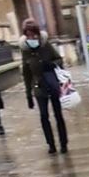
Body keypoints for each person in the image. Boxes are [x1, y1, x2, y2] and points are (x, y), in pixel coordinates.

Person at [20, 19, 69, 154]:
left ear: (37, 34)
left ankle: (63, 143)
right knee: (43, 116)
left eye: (33, 34)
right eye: (28, 35)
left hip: (52, 84)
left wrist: (52, 64)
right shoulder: (25, 51)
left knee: (58, 114)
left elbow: (59, 59)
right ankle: (51, 144)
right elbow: (26, 73)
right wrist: (28, 95)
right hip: (38, 86)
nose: (31, 38)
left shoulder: (45, 45)